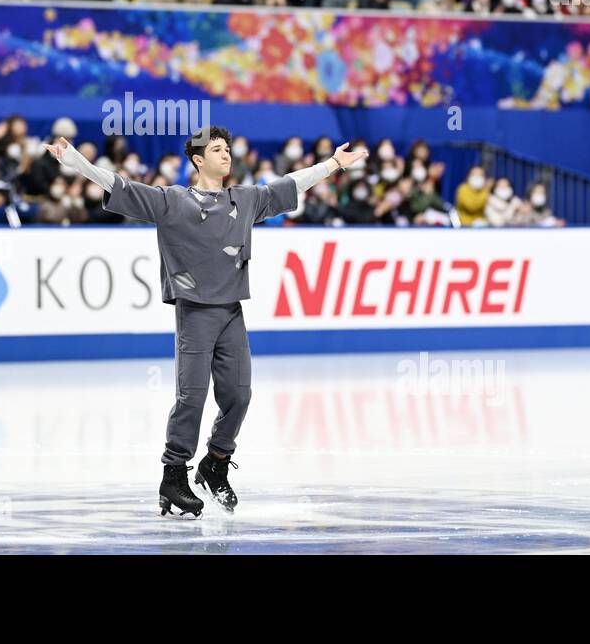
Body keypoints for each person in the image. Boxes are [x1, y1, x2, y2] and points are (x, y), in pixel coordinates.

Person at [47, 125, 368, 517]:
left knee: (239, 394)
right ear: (198, 159)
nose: (226, 154)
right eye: (217, 149)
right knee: (192, 396)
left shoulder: (245, 199)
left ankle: (215, 461)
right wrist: (76, 161)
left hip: (231, 310)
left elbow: (289, 185)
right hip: (195, 310)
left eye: (228, 148)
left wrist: (334, 163)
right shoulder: (171, 201)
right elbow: (121, 185)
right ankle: (174, 473)